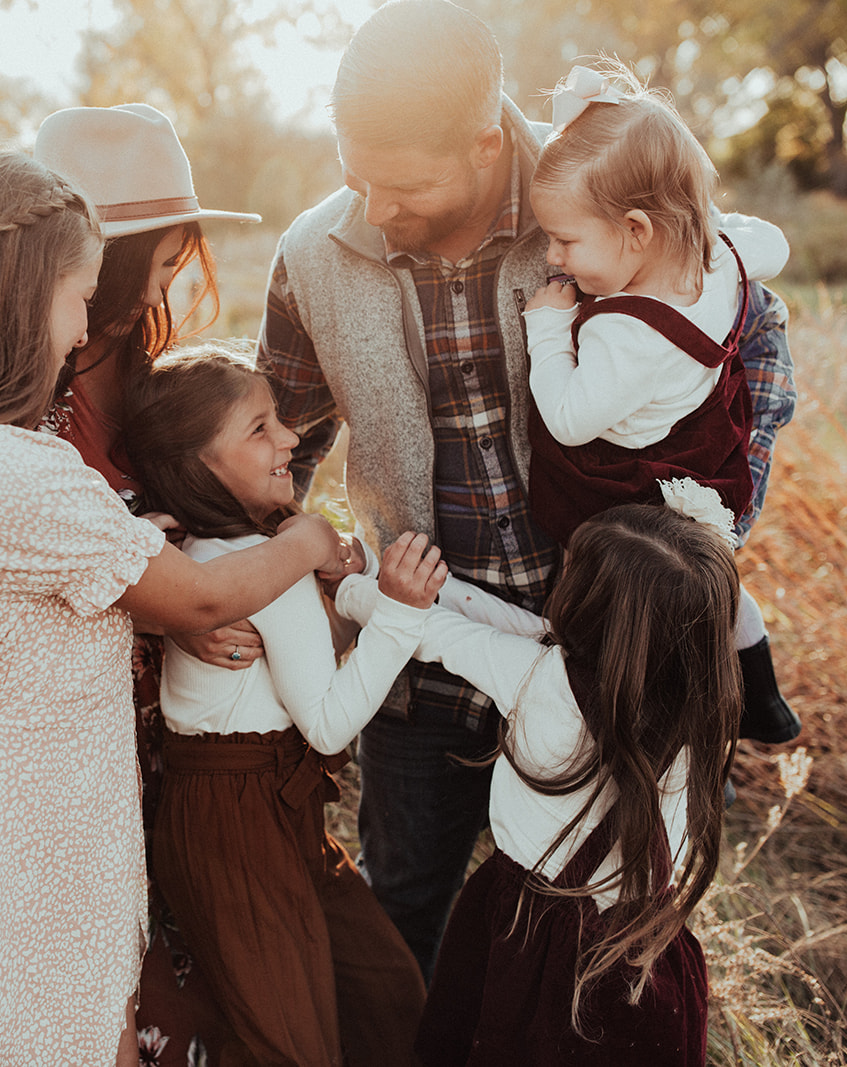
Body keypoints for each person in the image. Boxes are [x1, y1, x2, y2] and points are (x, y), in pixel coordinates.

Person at [255, 0, 798, 978]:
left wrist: (697, 546)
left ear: (483, 138)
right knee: (404, 905)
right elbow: (278, 449)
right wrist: (252, 582)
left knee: (608, 912)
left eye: (403, 184)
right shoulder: (311, 254)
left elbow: (750, 360)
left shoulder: (590, 198)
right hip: (425, 645)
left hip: (612, 654)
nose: (372, 207)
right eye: (354, 178)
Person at [0, 150, 345, 1066]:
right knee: (61, 1028)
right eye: (77, 296)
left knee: (0, 1025)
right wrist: (308, 543)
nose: (83, 330)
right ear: (19, 299)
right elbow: (193, 595)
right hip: (40, 810)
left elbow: (50, 575)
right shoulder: (18, 472)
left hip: (5, 787)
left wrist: (123, 536)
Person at [123, 344, 438, 1066]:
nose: (291, 439)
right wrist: (400, 614)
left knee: (381, 988)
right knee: (288, 1043)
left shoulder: (214, 551)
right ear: (201, 464)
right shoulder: (263, 567)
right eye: (259, 429)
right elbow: (327, 718)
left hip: (266, 811)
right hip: (235, 822)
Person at [339, 502, 737, 1065]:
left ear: (589, 604)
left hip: (526, 933)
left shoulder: (535, 677)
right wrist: (446, 584)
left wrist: (352, 589)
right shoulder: (704, 708)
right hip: (635, 953)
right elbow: (522, 626)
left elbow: (428, 633)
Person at [521, 61, 800, 745]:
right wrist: (708, 226)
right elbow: (775, 243)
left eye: (565, 239)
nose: (555, 257)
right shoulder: (721, 259)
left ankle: (651, 724)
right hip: (707, 457)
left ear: (639, 230)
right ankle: (756, 687)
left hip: (635, 484)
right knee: (708, 583)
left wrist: (550, 327)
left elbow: (566, 415)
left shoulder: (626, 332)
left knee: (633, 606)